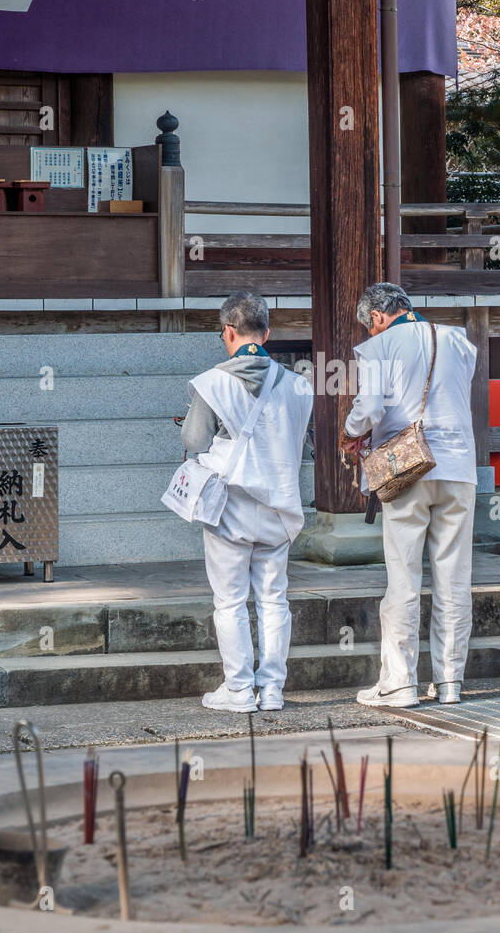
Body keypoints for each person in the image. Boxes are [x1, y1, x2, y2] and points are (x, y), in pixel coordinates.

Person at [341, 283, 478, 708]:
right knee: (454, 577)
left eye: (370, 326)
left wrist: (348, 433)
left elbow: (370, 407)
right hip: (458, 466)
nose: (370, 333)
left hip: (407, 467)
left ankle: (400, 683)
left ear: (378, 318)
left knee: (403, 577)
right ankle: (450, 681)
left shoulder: (380, 346)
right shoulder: (458, 340)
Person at [181, 291, 313, 713]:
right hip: (279, 508)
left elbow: (194, 441)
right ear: (267, 333)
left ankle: (238, 689)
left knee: (230, 601)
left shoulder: (212, 382)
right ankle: (271, 689)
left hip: (229, 509)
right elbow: (301, 443)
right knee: (275, 599)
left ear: (227, 332)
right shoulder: (298, 385)